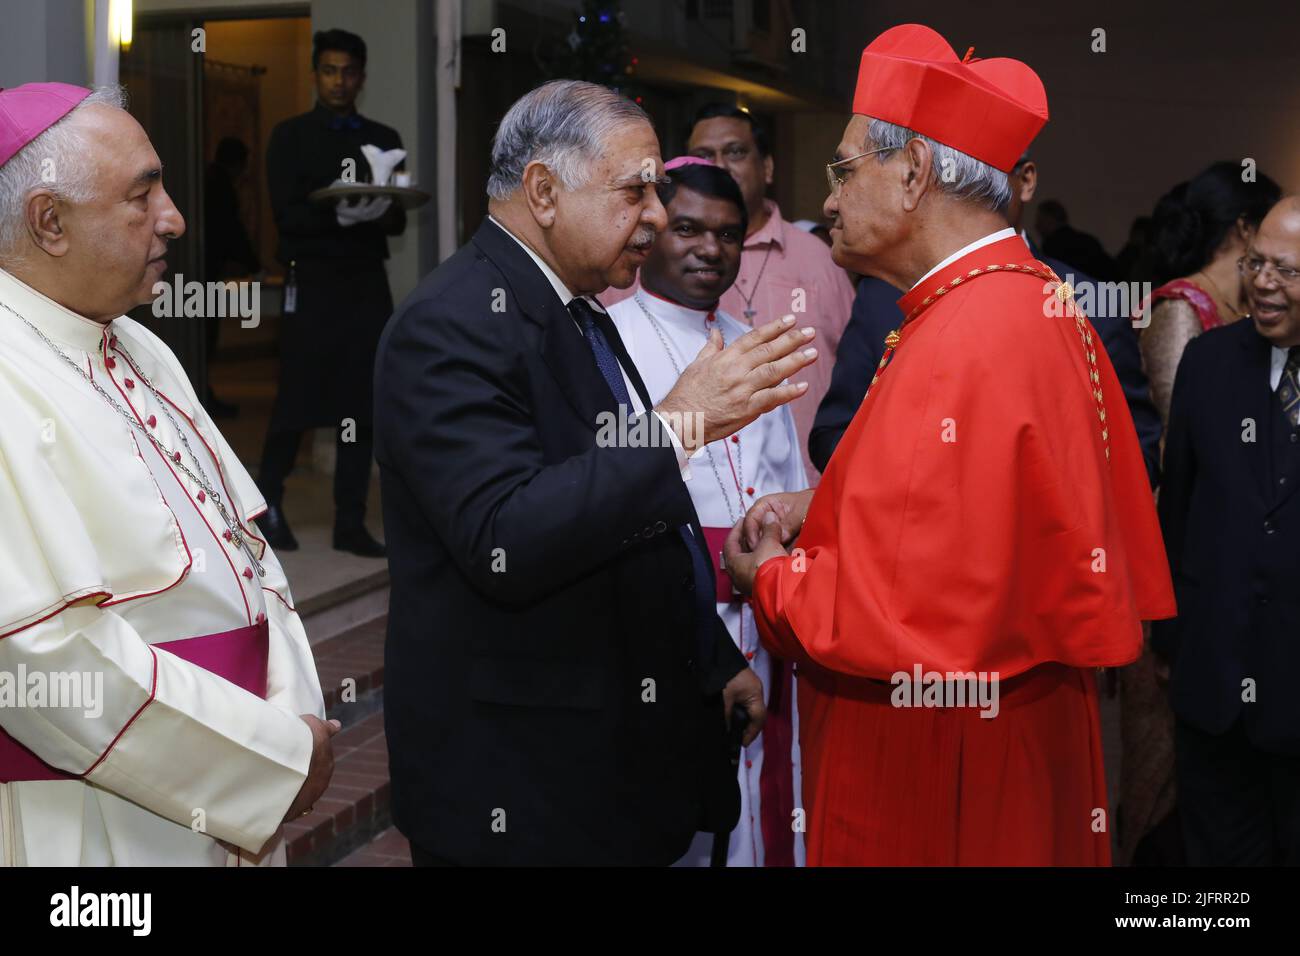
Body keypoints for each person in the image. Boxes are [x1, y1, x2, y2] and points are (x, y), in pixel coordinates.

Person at [723, 24, 1175, 866]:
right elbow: (978, 517)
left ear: (915, 174)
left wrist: (773, 580)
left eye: (844, 170)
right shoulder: (1019, 302)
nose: (828, 201)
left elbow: (907, 614)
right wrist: (824, 505)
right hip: (1017, 731)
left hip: (935, 759)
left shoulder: (971, 333)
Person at [374, 80, 819, 866]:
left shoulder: (576, 304)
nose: (654, 213)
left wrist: (710, 659)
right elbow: (506, 536)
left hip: (605, 762)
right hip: (520, 780)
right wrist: (682, 424)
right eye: (634, 189)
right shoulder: (450, 323)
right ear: (543, 190)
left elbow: (635, 520)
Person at [0, 83, 334, 866]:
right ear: (50, 222)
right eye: (142, 195)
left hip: (236, 780)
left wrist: (291, 721)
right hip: (97, 817)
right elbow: (40, 660)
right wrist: (271, 758)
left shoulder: (141, 346)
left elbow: (249, 557)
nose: (175, 218)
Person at [607, 157, 807, 867]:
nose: (709, 249)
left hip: (766, 608)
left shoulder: (753, 341)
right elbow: (615, 489)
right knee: (683, 810)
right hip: (673, 611)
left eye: (728, 234)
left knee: (759, 801)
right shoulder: (610, 340)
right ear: (651, 231)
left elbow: (784, 478)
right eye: (688, 228)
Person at [810, 150, 1163, 488]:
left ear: (1024, 181)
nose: (965, 188)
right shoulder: (882, 296)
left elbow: (1137, 461)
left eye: (984, 172)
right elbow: (832, 432)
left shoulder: (1091, 304)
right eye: (950, 174)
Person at [1153, 196, 1300, 865]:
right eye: (1256, 264)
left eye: (1288, 271)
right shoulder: (1207, 365)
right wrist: (1173, 644)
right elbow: (1177, 511)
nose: (1265, 283)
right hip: (1216, 692)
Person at [258, 28, 406, 557]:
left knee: (361, 405)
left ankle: (350, 520)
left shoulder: (384, 136)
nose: (339, 80)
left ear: (361, 77)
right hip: (313, 281)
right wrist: (340, 213)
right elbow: (286, 216)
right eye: (329, 70)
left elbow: (395, 223)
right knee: (295, 398)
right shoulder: (290, 136)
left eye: (348, 71)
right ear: (316, 73)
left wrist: (373, 211)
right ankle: (266, 507)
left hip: (366, 282)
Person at [1140, 162, 1281, 424]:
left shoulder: (1255, 304)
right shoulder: (1179, 309)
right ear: (1245, 228)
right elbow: (1177, 423)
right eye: (1271, 224)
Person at [203, 135, 259, 418]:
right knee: (205, 336)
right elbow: (230, 229)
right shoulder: (220, 185)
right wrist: (253, 263)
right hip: (204, 273)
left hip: (202, 271)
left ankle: (203, 394)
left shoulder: (208, 179)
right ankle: (202, 396)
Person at [1035, 198, 1117, 280]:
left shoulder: (1052, 246)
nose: (1037, 225)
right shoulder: (1087, 240)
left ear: (1050, 219)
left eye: (1040, 220)